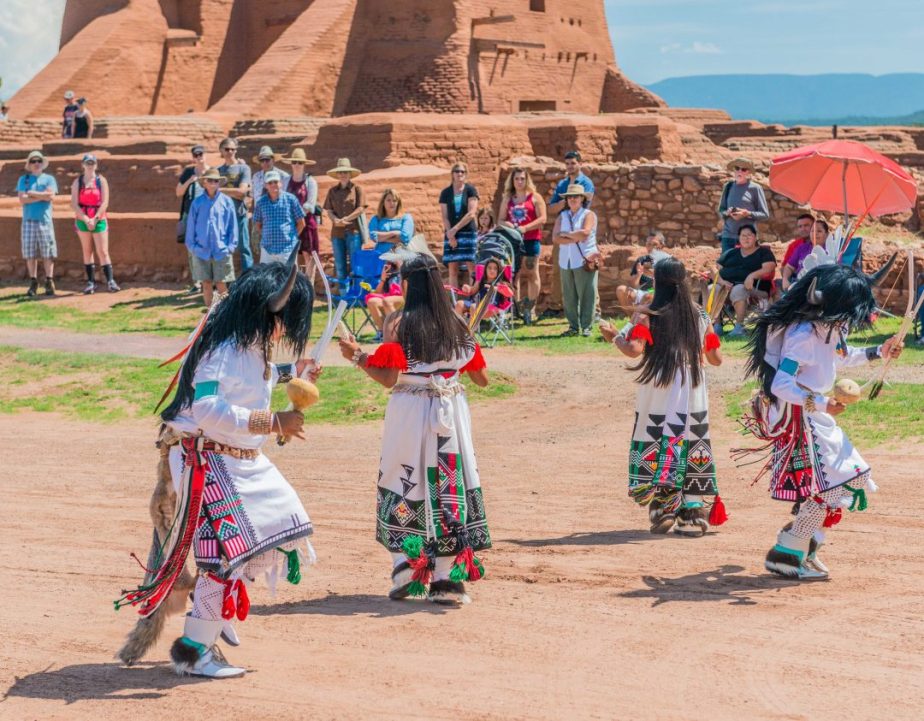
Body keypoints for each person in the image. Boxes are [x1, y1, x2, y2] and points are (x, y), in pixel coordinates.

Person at [115, 264, 320, 678]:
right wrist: (273, 422)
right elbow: (207, 408)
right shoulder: (224, 347)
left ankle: (210, 609)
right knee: (224, 555)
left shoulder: (248, 345)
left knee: (279, 524)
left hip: (237, 459)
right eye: (286, 321)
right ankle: (195, 650)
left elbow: (245, 384)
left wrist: (293, 374)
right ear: (269, 316)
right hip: (205, 458)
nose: (285, 331)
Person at [338, 253, 491, 605]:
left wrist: (358, 356)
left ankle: (407, 569)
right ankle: (447, 579)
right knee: (448, 482)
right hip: (450, 412)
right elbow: (481, 379)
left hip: (410, 412)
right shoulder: (457, 325)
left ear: (406, 284)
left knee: (404, 480)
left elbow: (389, 377)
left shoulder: (397, 324)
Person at [742, 261, 902, 579]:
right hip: (801, 418)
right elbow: (781, 384)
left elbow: (842, 355)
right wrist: (819, 401)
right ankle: (789, 552)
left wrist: (878, 351)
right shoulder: (803, 334)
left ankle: (803, 546)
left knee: (842, 482)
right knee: (836, 484)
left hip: (815, 418)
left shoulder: (831, 327)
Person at [600, 258, 725, 536]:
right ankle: (692, 513)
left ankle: (664, 504)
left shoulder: (648, 313)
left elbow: (634, 349)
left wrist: (613, 337)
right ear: (682, 282)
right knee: (691, 437)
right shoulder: (700, 316)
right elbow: (716, 359)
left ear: (657, 282)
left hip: (660, 385)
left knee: (659, 436)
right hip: (693, 387)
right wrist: (707, 331)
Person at [547, 151, 595, 313]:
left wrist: (568, 203)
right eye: (567, 164)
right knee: (559, 269)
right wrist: (565, 202)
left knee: (586, 271)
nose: (570, 166)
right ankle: (557, 306)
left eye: (573, 163)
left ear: (579, 163)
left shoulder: (586, 183)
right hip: (564, 229)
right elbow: (552, 208)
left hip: (580, 233)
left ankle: (594, 309)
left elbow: (583, 207)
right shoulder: (562, 184)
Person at [498, 167, 547, 325]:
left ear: (527, 180)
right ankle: (516, 308)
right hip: (513, 240)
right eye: (516, 179)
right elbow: (500, 220)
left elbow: (543, 218)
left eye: (522, 179)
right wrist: (511, 226)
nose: (519, 182)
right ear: (512, 181)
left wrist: (525, 228)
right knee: (514, 275)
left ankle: (530, 308)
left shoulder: (535, 197)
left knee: (532, 273)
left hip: (531, 239)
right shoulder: (508, 198)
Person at [184, 168, 238, 306]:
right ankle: (209, 315)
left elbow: (233, 226)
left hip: (221, 250)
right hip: (201, 251)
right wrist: (193, 247)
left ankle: (225, 315)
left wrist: (230, 247)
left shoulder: (227, 202)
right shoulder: (197, 203)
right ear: (204, 183)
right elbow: (190, 227)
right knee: (206, 284)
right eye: (210, 180)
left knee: (221, 284)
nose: (213, 183)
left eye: (216, 180)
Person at [553, 184, 599, 336]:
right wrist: (574, 236)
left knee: (587, 294)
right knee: (569, 296)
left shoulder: (588, 214)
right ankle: (573, 327)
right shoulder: (562, 216)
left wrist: (566, 234)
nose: (573, 199)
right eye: (570, 197)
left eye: (576, 196)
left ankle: (586, 327)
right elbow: (556, 238)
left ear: (582, 198)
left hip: (583, 260)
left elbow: (585, 233)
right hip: (565, 260)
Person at [715, 224, 776, 337]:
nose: (746, 238)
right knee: (713, 288)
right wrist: (723, 282)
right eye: (743, 236)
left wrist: (751, 276)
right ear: (739, 238)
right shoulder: (731, 253)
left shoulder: (763, 252)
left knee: (738, 289)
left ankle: (739, 327)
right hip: (727, 287)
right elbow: (715, 268)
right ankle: (717, 326)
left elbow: (769, 267)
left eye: (749, 235)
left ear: (755, 237)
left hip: (754, 288)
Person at [71, 153, 118, 293]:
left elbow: (105, 202)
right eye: (87, 163)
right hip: (82, 219)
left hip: (99, 219)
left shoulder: (101, 181)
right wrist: (86, 219)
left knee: (103, 251)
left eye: (92, 163)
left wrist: (95, 218)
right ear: (83, 165)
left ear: (96, 165)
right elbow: (74, 204)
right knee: (87, 251)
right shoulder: (77, 182)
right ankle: (91, 283)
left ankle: (110, 281)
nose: (90, 165)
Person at [17, 150, 58, 297]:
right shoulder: (24, 179)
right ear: (29, 164)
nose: (36, 164)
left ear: (42, 163)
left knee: (47, 253)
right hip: (29, 220)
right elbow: (22, 199)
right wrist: (42, 196)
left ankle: (49, 280)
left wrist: (32, 194)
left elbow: (50, 196)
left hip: (44, 220)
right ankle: (33, 281)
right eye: (33, 161)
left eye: (39, 161)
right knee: (30, 253)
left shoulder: (49, 179)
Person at [323, 158, 367, 288]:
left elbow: (361, 208)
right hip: (337, 233)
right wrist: (335, 220)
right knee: (340, 265)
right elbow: (329, 210)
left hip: (353, 232)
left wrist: (347, 219)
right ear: (337, 174)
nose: (343, 174)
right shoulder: (332, 191)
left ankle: (357, 294)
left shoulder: (357, 189)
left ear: (350, 174)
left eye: (345, 172)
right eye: (341, 172)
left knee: (356, 265)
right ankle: (344, 297)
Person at [439, 163, 479, 289]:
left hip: (467, 232)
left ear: (466, 174)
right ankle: (454, 301)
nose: (459, 174)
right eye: (457, 171)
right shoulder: (445, 193)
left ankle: (473, 298)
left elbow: (471, 213)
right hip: (451, 233)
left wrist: (455, 229)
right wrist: (450, 235)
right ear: (452, 174)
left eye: (462, 171)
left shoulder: (471, 190)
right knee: (453, 269)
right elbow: (445, 216)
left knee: (471, 267)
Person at [717, 157, 769, 253]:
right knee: (728, 266)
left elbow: (764, 214)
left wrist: (747, 213)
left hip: (748, 238)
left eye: (743, 169)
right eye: (737, 168)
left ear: (748, 173)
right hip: (728, 236)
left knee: (748, 267)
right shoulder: (728, 187)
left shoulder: (755, 188)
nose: (739, 171)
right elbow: (721, 211)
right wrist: (727, 213)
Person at [253, 170, 305, 265]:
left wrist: (291, 237)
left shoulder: (291, 199)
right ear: (266, 185)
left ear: (280, 183)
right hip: (267, 251)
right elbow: (258, 224)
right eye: (270, 182)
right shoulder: (260, 203)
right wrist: (266, 235)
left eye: (276, 182)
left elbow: (301, 222)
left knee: (289, 278)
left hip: (287, 250)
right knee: (267, 279)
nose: (273, 185)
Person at [176, 145, 209, 292]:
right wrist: (190, 180)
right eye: (196, 155)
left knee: (207, 246)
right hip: (190, 216)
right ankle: (197, 282)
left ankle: (208, 280)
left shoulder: (212, 172)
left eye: (201, 154)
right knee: (192, 249)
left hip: (207, 216)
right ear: (193, 157)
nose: (199, 157)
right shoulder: (189, 172)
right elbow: (178, 192)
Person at [217, 137, 253, 271]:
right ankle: (226, 282)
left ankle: (248, 280)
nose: (230, 152)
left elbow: (242, 192)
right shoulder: (218, 170)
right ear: (221, 150)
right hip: (222, 214)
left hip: (239, 212)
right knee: (223, 246)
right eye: (227, 149)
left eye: (233, 149)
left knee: (244, 247)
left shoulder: (243, 168)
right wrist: (232, 191)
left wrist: (221, 190)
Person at [282, 148, 319, 272]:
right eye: (294, 162)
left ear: (304, 165)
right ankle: (294, 285)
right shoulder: (286, 181)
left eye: (300, 162)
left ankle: (309, 285)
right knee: (292, 255)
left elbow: (310, 204)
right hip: (291, 224)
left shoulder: (310, 182)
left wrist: (297, 216)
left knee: (308, 255)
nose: (297, 165)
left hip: (307, 223)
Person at [616, 231, 671, 309]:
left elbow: (669, 286)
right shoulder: (642, 260)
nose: (651, 247)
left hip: (659, 293)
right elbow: (633, 286)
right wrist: (639, 274)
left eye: (655, 244)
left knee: (648, 296)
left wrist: (655, 274)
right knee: (621, 290)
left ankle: (638, 319)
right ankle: (633, 318)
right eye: (648, 244)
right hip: (642, 292)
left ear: (662, 246)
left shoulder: (668, 261)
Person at [365, 255, 406, 342]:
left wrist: (401, 267)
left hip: (406, 296)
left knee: (387, 301)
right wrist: (383, 279)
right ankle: (382, 333)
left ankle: (398, 332)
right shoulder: (390, 271)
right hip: (391, 296)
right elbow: (377, 293)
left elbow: (406, 289)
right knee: (372, 301)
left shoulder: (407, 268)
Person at [368, 189, 414, 255]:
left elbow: (405, 237)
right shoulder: (376, 218)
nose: (392, 203)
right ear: (383, 202)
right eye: (388, 200)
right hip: (381, 256)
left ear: (398, 203)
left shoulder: (406, 217)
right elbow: (373, 236)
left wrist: (382, 239)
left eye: (394, 200)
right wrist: (394, 233)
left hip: (401, 257)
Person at [784, 219, 829, 287]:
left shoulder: (831, 251)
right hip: (799, 284)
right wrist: (785, 280)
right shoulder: (802, 248)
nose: (815, 234)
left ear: (826, 234)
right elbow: (789, 267)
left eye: (819, 231)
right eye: (812, 231)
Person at [780, 214, 817, 291]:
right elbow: (785, 267)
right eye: (800, 226)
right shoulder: (796, 246)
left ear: (815, 226)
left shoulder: (826, 245)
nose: (803, 229)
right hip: (797, 282)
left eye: (806, 225)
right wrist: (785, 279)